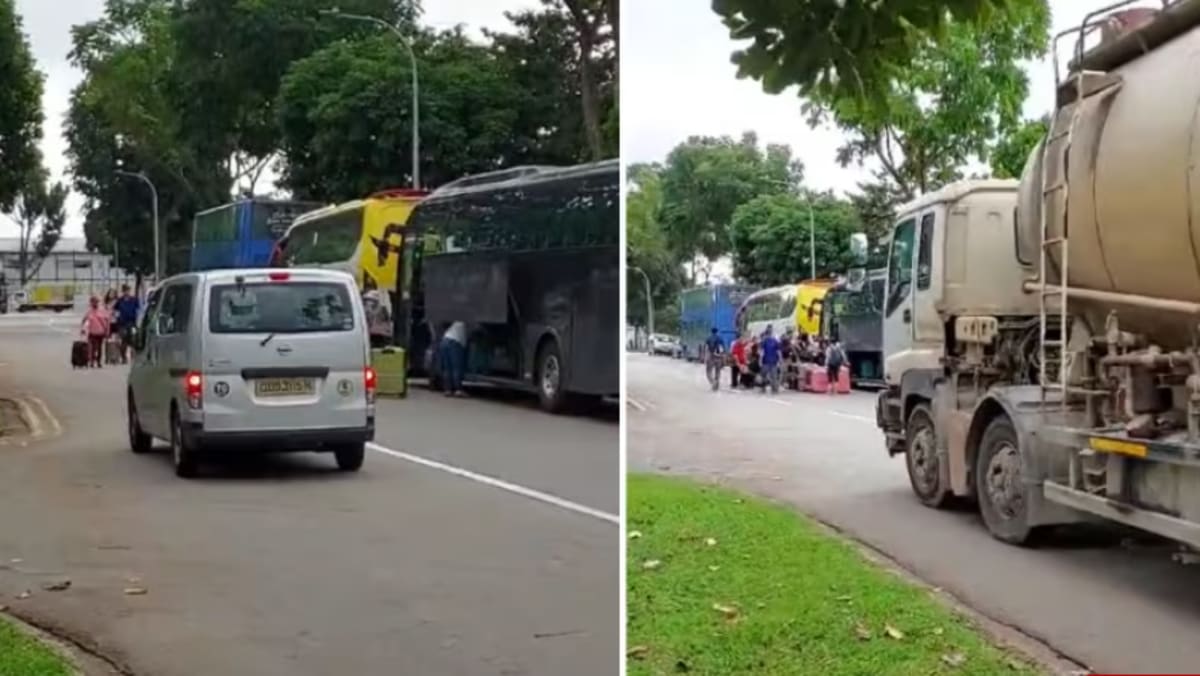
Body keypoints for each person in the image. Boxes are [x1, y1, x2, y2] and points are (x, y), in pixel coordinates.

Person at [111, 284, 140, 364]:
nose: (127, 292)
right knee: (123, 340)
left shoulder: (134, 300)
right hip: (122, 323)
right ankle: (123, 357)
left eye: (128, 290)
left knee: (133, 340)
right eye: (125, 291)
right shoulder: (120, 301)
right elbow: (114, 310)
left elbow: (138, 310)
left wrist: (138, 320)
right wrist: (117, 316)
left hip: (132, 323)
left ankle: (133, 357)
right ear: (123, 291)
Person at [81, 296, 111, 368]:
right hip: (92, 332)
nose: (95, 303)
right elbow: (84, 320)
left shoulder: (102, 311)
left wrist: (107, 331)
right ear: (91, 303)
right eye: (93, 302)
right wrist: (83, 329)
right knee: (92, 348)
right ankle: (92, 361)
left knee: (99, 348)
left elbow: (107, 322)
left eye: (96, 302)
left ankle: (98, 361)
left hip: (100, 332)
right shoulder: (89, 312)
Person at [440, 321, 468, 397]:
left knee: (447, 367)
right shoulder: (464, 321)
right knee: (456, 367)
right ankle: (458, 390)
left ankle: (447, 390)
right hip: (455, 342)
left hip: (445, 340)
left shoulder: (454, 320)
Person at [759, 324, 782, 394]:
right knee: (773, 375)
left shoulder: (764, 341)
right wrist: (780, 359)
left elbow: (762, 352)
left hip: (767, 361)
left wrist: (760, 360)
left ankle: (764, 388)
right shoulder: (774, 341)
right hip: (772, 361)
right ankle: (774, 389)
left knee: (765, 375)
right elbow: (778, 351)